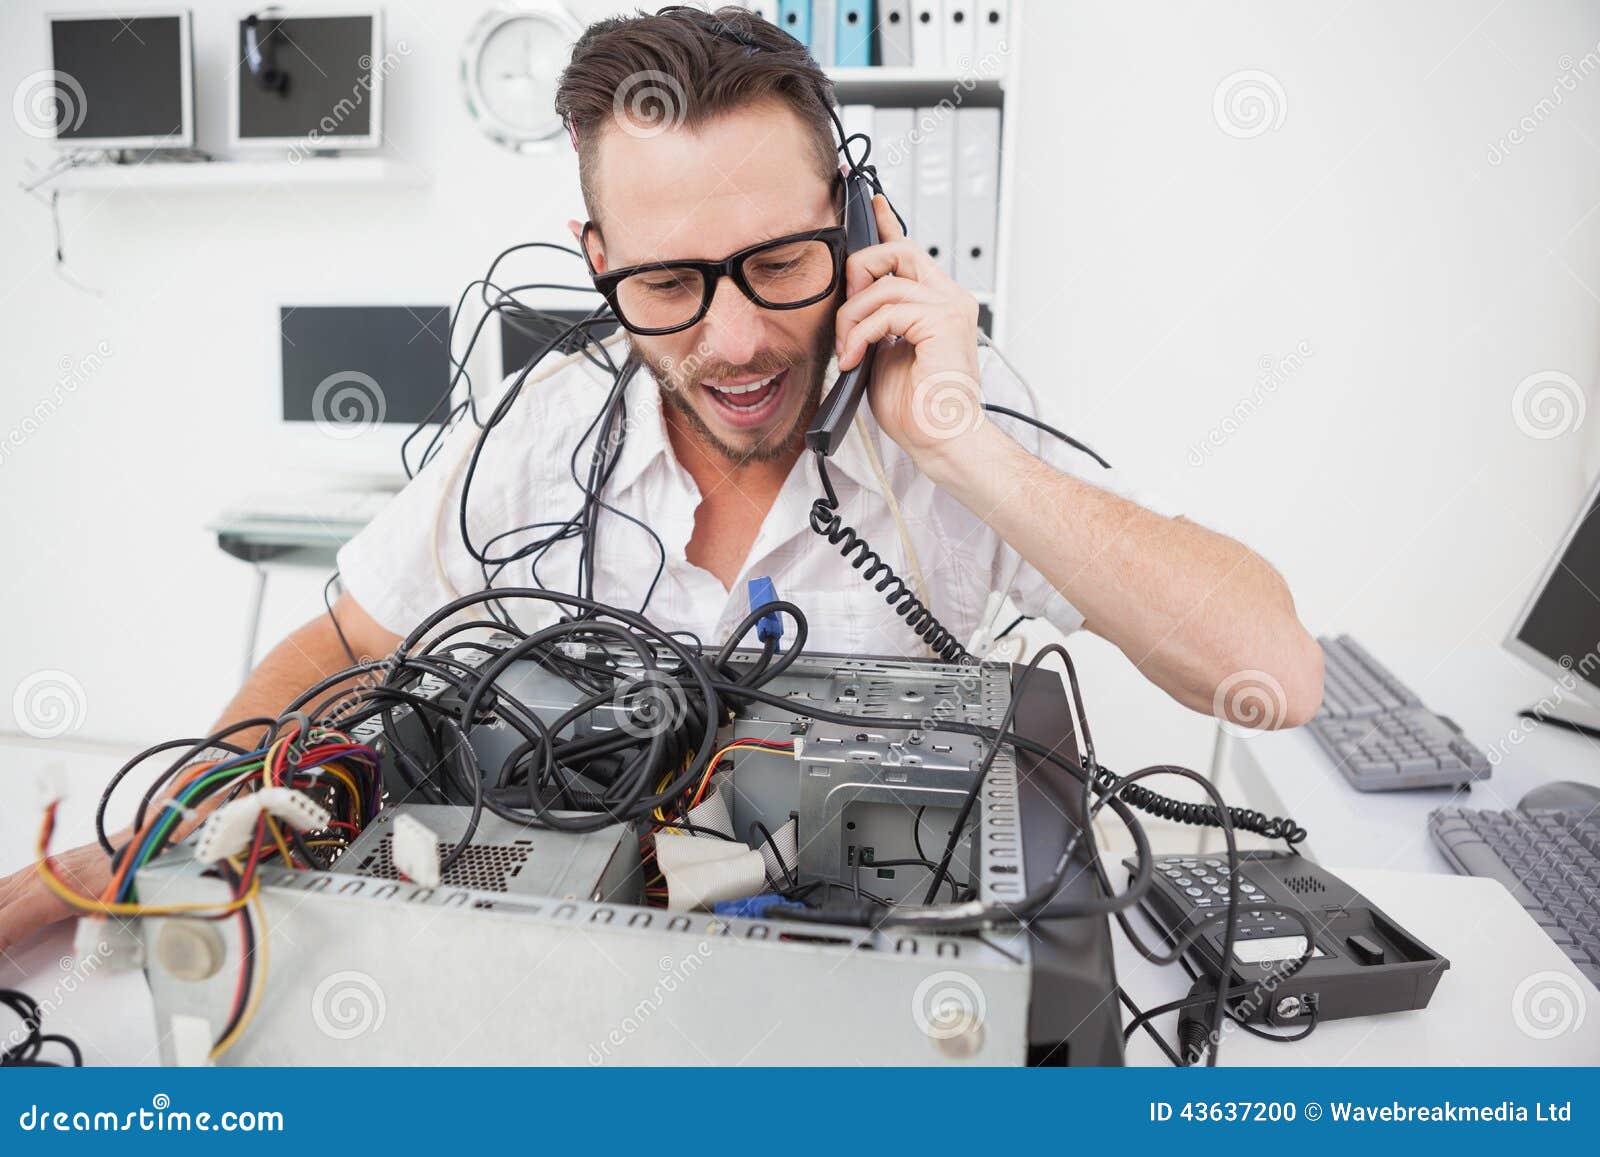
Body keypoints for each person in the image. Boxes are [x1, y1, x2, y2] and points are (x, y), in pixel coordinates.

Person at [0, 6, 1321, 954]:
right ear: (595, 263)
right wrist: (119, 854)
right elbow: (334, 651)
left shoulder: (943, 420)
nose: (738, 340)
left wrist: (961, 443)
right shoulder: (538, 431)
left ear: (860, 228)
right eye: (672, 283)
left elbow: (1273, 672)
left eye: (781, 263)